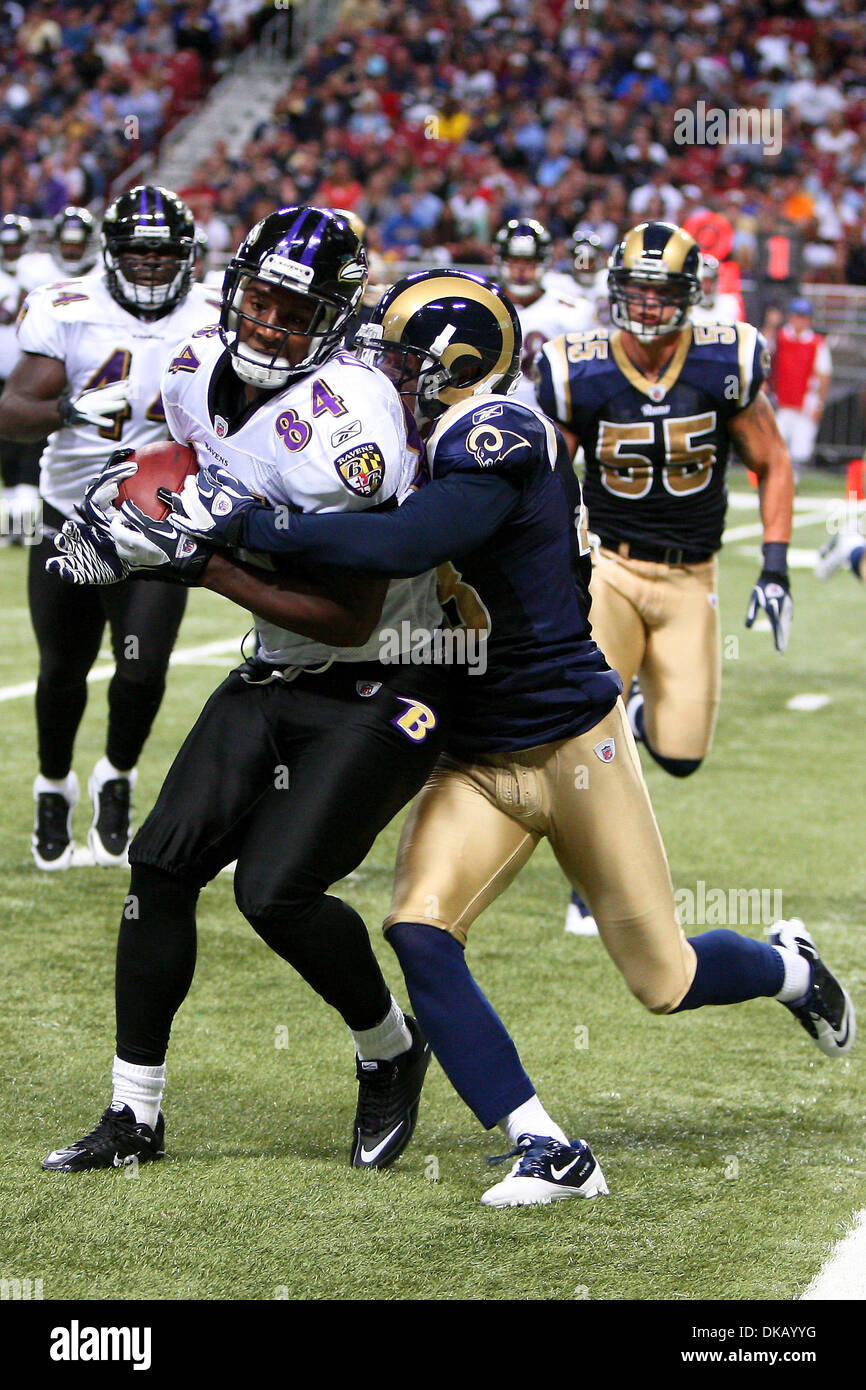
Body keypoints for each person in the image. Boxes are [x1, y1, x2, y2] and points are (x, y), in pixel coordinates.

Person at [104, 269, 854, 1209]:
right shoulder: (415, 435)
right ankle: (543, 1145)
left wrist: (240, 524)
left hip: (568, 742)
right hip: (474, 749)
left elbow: (402, 546)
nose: (381, 366)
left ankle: (789, 968)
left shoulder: (500, 431)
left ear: (454, 363)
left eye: (401, 352)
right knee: (418, 927)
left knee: (664, 978)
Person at [40, 207, 451, 1177]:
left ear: (333, 318)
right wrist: (117, 509)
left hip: (382, 678)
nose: (267, 323)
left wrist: (195, 562)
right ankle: (133, 1113)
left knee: (275, 892)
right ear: (233, 287)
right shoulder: (188, 368)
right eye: (259, 298)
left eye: (293, 309)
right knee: (162, 864)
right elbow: (170, 467)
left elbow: (347, 614)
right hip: (274, 667)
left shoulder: (346, 420)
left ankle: (390, 1048)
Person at [531, 222, 796, 932]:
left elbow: (772, 460)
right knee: (591, 735)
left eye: (661, 292)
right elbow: (552, 479)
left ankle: (646, 714)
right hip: (611, 567)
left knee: (680, 756)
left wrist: (775, 567)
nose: (647, 306)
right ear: (616, 291)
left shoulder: (725, 360)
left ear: (691, 294)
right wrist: (549, 565)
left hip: (690, 575)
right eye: (636, 291)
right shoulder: (577, 367)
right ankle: (593, 881)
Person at [0, 184, 219, 870]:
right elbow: (11, 411)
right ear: (111, 253)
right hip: (73, 513)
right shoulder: (69, 307)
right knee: (62, 668)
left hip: (159, 517)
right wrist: (68, 409)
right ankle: (53, 784)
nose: (151, 264)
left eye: (163, 252)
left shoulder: (214, 313)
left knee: (141, 666)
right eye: (137, 251)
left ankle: (116, 776)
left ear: (186, 256)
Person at [493, 219, 593, 408]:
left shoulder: (572, 312)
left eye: (529, 262)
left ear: (544, 262)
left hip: (549, 415)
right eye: (514, 261)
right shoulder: (485, 307)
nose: (521, 271)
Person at [769, 298, 832, 478]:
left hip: (805, 403)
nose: (799, 321)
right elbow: (763, 348)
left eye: (803, 317)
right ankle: (774, 482)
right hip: (781, 401)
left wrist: (819, 404)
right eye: (797, 316)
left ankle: (791, 484)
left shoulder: (816, 343)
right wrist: (771, 325)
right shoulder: (780, 336)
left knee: (800, 449)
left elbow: (823, 375)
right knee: (776, 444)